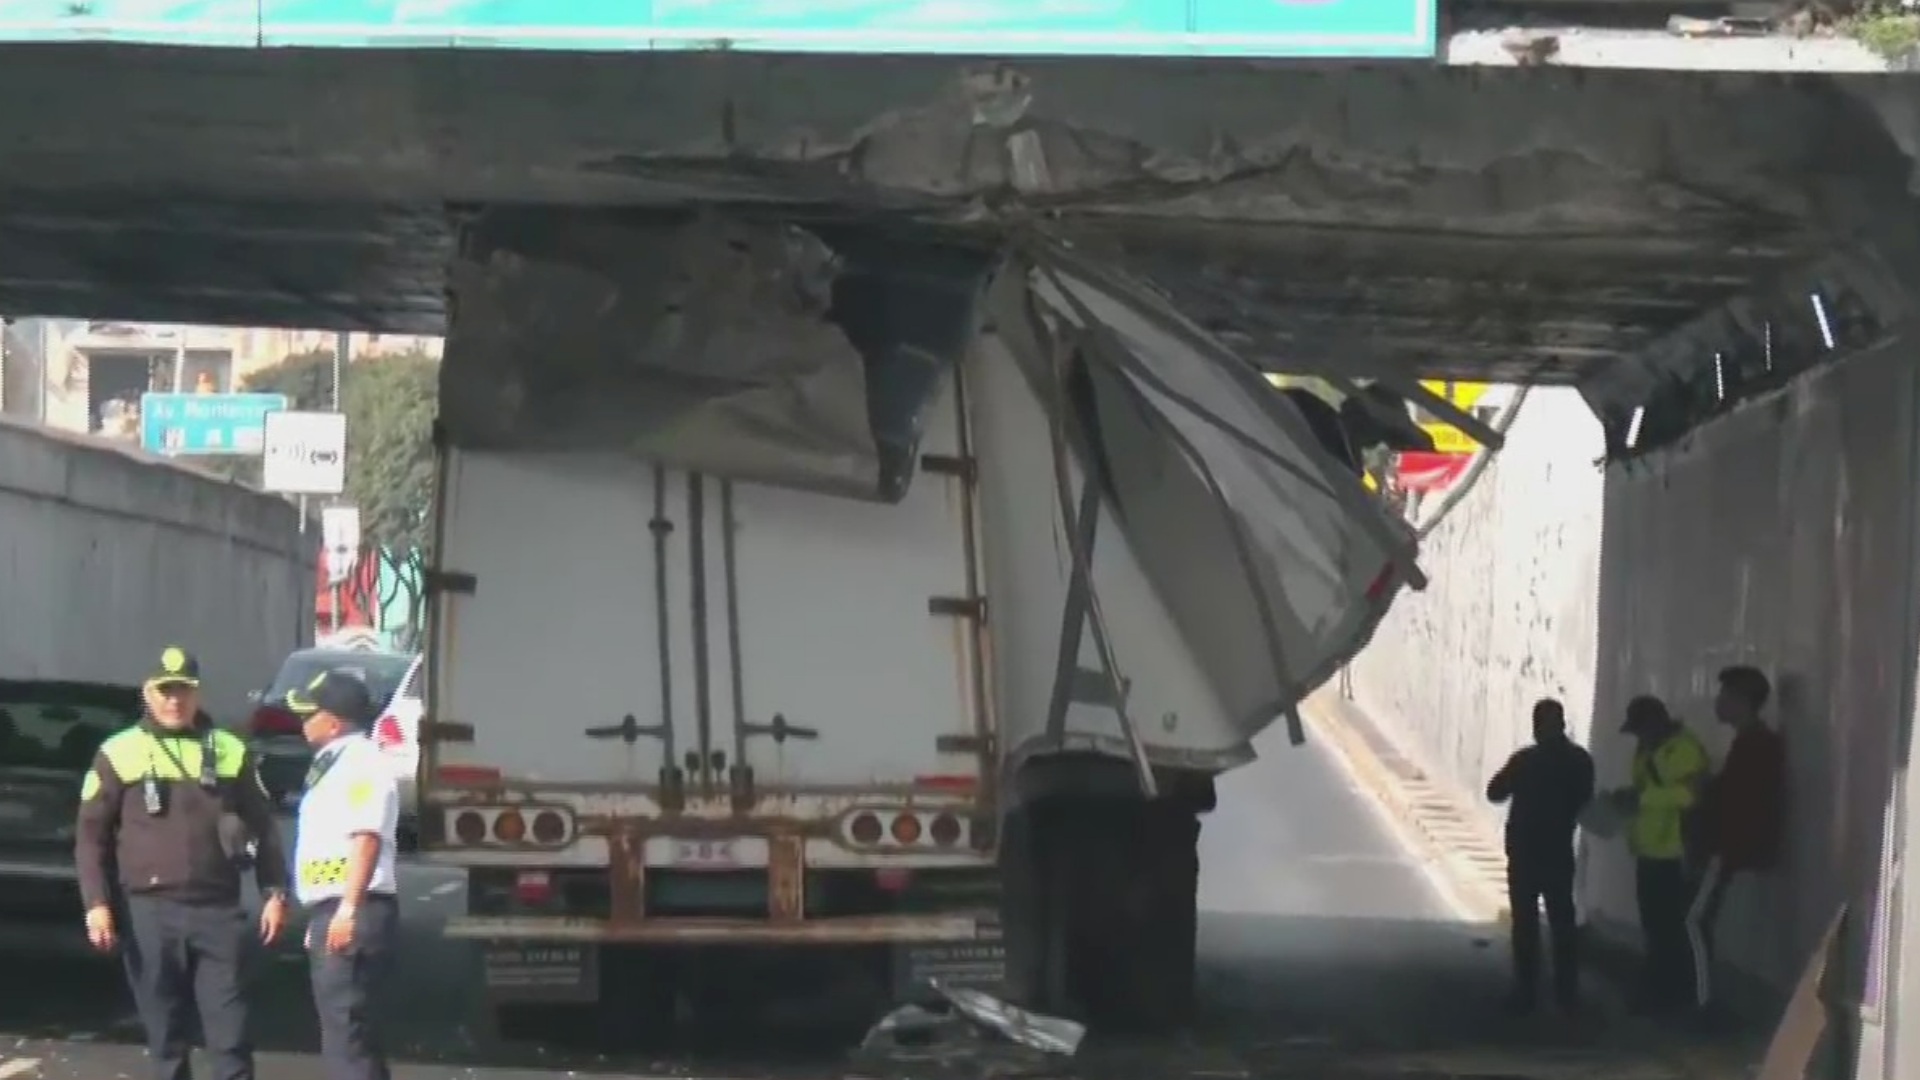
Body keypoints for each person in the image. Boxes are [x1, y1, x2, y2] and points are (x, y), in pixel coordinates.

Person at [74, 646, 289, 1080]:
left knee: (230, 1034)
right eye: (165, 691)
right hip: (149, 912)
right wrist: (96, 903)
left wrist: (275, 891)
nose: (175, 700)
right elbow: (90, 836)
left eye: (184, 691)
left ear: (197, 695)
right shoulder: (119, 752)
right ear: (148, 694)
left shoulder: (229, 749)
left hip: (217, 911)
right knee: (166, 1036)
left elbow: (263, 827)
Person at [287, 670, 402, 1080]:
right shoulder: (333, 762)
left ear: (334, 721)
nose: (302, 722)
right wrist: (321, 914)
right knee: (349, 1032)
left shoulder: (362, 764)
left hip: (357, 907)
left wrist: (348, 910)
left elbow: (366, 836)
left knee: (347, 1035)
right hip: (335, 907)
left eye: (309, 714)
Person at [1687, 665, 1786, 1013]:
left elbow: (1738, 801)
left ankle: (1706, 1003)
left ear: (1742, 701)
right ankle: (1706, 999)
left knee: (1696, 922)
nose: (1717, 702)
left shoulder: (1753, 745)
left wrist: (1707, 793)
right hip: (1735, 850)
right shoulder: (1755, 742)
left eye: (1725, 696)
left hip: (1728, 850)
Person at [1486, 698, 1595, 1013]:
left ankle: (1526, 992)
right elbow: (1585, 799)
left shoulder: (1524, 760)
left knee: (1525, 923)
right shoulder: (1580, 761)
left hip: (1524, 851)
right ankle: (1566, 994)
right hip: (1559, 849)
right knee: (1563, 921)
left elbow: (1494, 792)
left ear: (1536, 726)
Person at [1607, 694, 1710, 1014]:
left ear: (1656, 723)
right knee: (1654, 925)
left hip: (1675, 852)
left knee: (1672, 927)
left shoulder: (1684, 750)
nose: (1639, 737)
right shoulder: (1647, 749)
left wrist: (1645, 799)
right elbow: (1645, 791)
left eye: (1641, 730)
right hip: (1649, 851)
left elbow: (1692, 795)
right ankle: (1658, 991)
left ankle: (1677, 995)